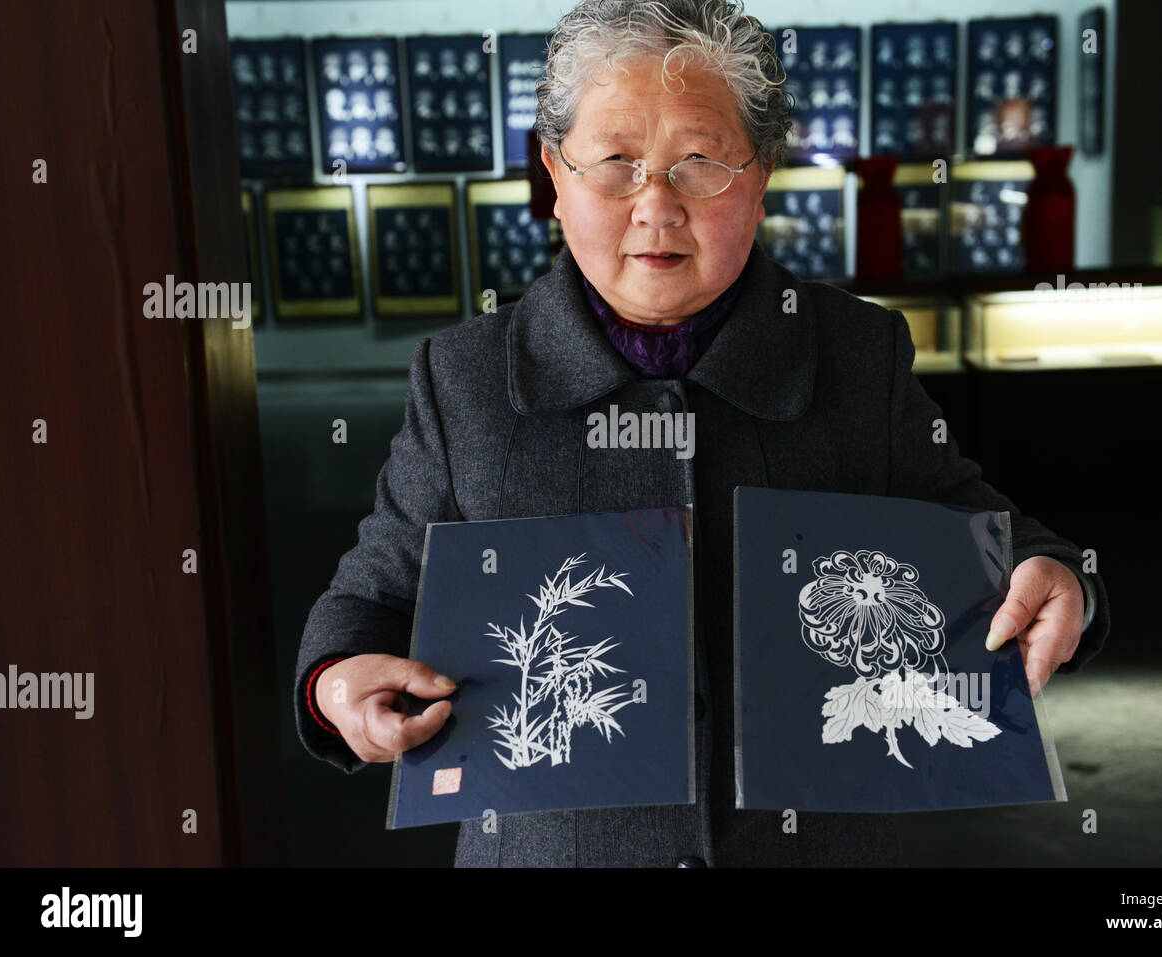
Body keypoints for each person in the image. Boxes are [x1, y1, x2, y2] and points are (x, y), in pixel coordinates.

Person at [294, 0, 1109, 867]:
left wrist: (1062, 579)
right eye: (614, 161)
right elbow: (368, 598)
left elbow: (981, 531)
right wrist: (336, 681)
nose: (656, 205)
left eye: (700, 162)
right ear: (553, 175)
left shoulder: (854, 356)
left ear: (760, 177)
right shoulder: (464, 382)